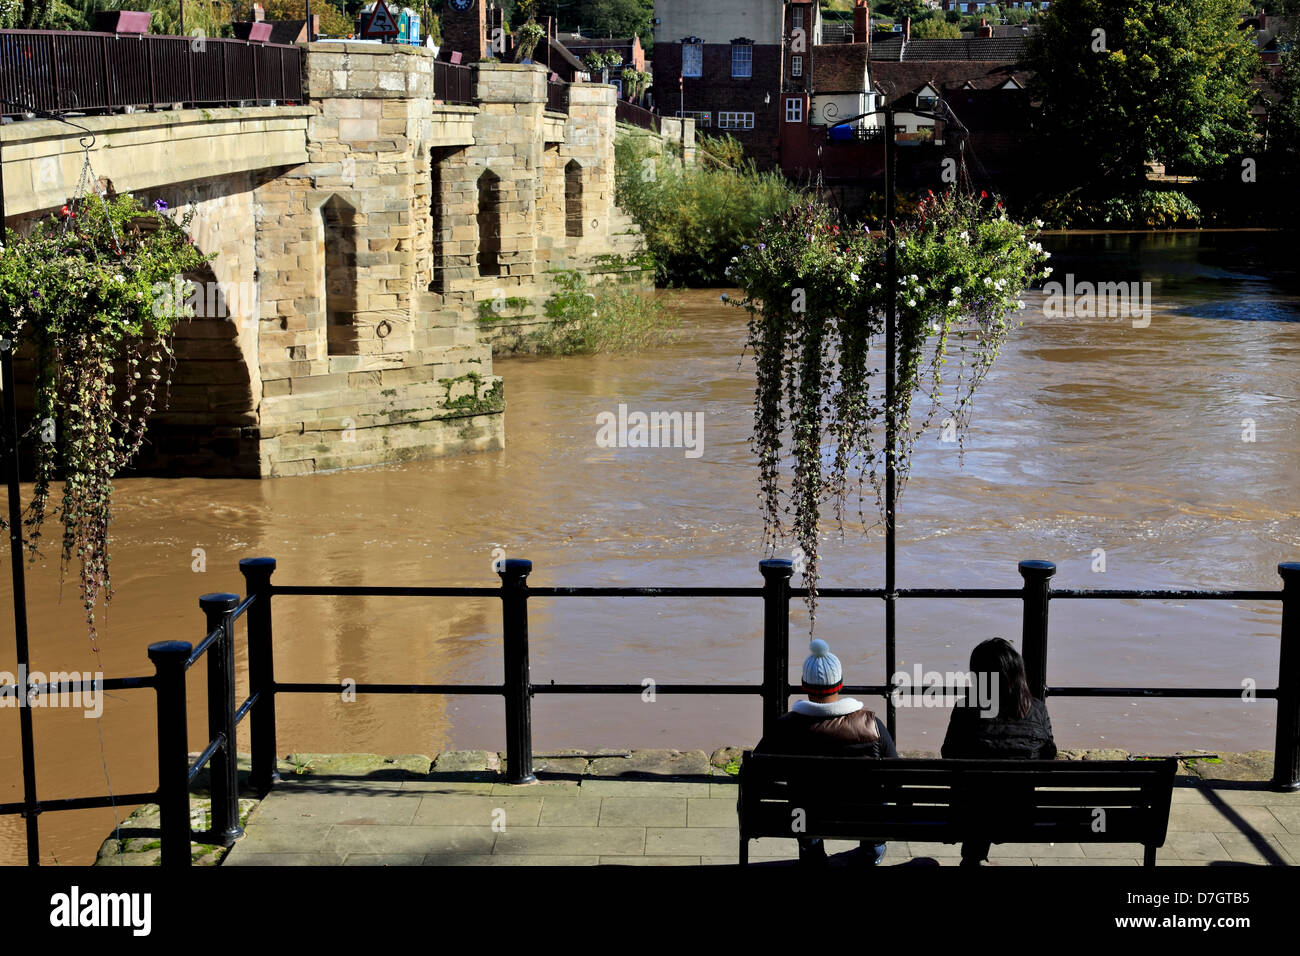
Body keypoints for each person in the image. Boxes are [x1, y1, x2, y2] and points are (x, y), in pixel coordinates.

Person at [756, 639, 897, 866]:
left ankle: (811, 850)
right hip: (864, 820)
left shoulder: (785, 728)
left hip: (805, 821)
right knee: (876, 807)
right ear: (839, 684)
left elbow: (758, 775)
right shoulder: (872, 726)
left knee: (801, 806)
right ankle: (871, 852)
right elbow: (895, 781)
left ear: (804, 684)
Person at [941, 637, 1057, 866]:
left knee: (978, 793)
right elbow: (1048, 756)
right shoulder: (1037, 709)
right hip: (1021, 816)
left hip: (968, 817)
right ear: (1018, 673)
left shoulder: (966, 709)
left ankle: (972, 858)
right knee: (993, 793)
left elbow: (948, 754)